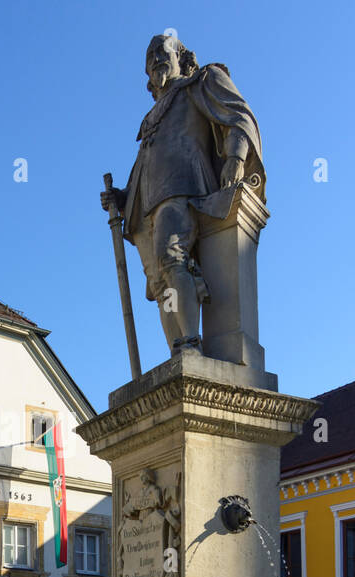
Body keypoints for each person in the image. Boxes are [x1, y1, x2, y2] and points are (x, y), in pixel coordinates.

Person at [101, 35, 264, 354]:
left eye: (163, 53)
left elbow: (240, 116)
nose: (155, 59)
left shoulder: (200, 82)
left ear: (182, 59)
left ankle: (190, 341)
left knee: (171, 256)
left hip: (184, 188)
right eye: (150, 57)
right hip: (144, 208)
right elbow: (146, 165)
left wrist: (235, 157)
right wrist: (122, 197)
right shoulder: (150, 118)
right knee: (159, 282)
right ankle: (178, 352)